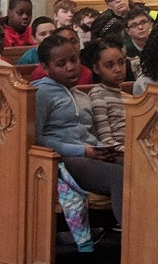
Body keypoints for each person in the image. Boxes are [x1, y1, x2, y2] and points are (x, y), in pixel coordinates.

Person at [34, 32, 124, 214]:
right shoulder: (40, 93)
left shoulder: (82, 96)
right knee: (119, 177)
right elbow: (37, 139)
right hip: (61, 160)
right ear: (45, 67)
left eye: (74, 60)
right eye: (61, 64)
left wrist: (102, 148)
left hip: (89, 154)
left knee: (140, 168)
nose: (70, 67)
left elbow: (89, 134)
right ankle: (132, 238)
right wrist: (82, 151)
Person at [84, 38, 131, 155]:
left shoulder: (130, 98)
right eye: (109, 65)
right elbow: (106, 141)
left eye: (121, 62)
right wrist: (132, 152)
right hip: (118, 154)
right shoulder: (98, 96)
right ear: (96, 69)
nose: (118, 69)